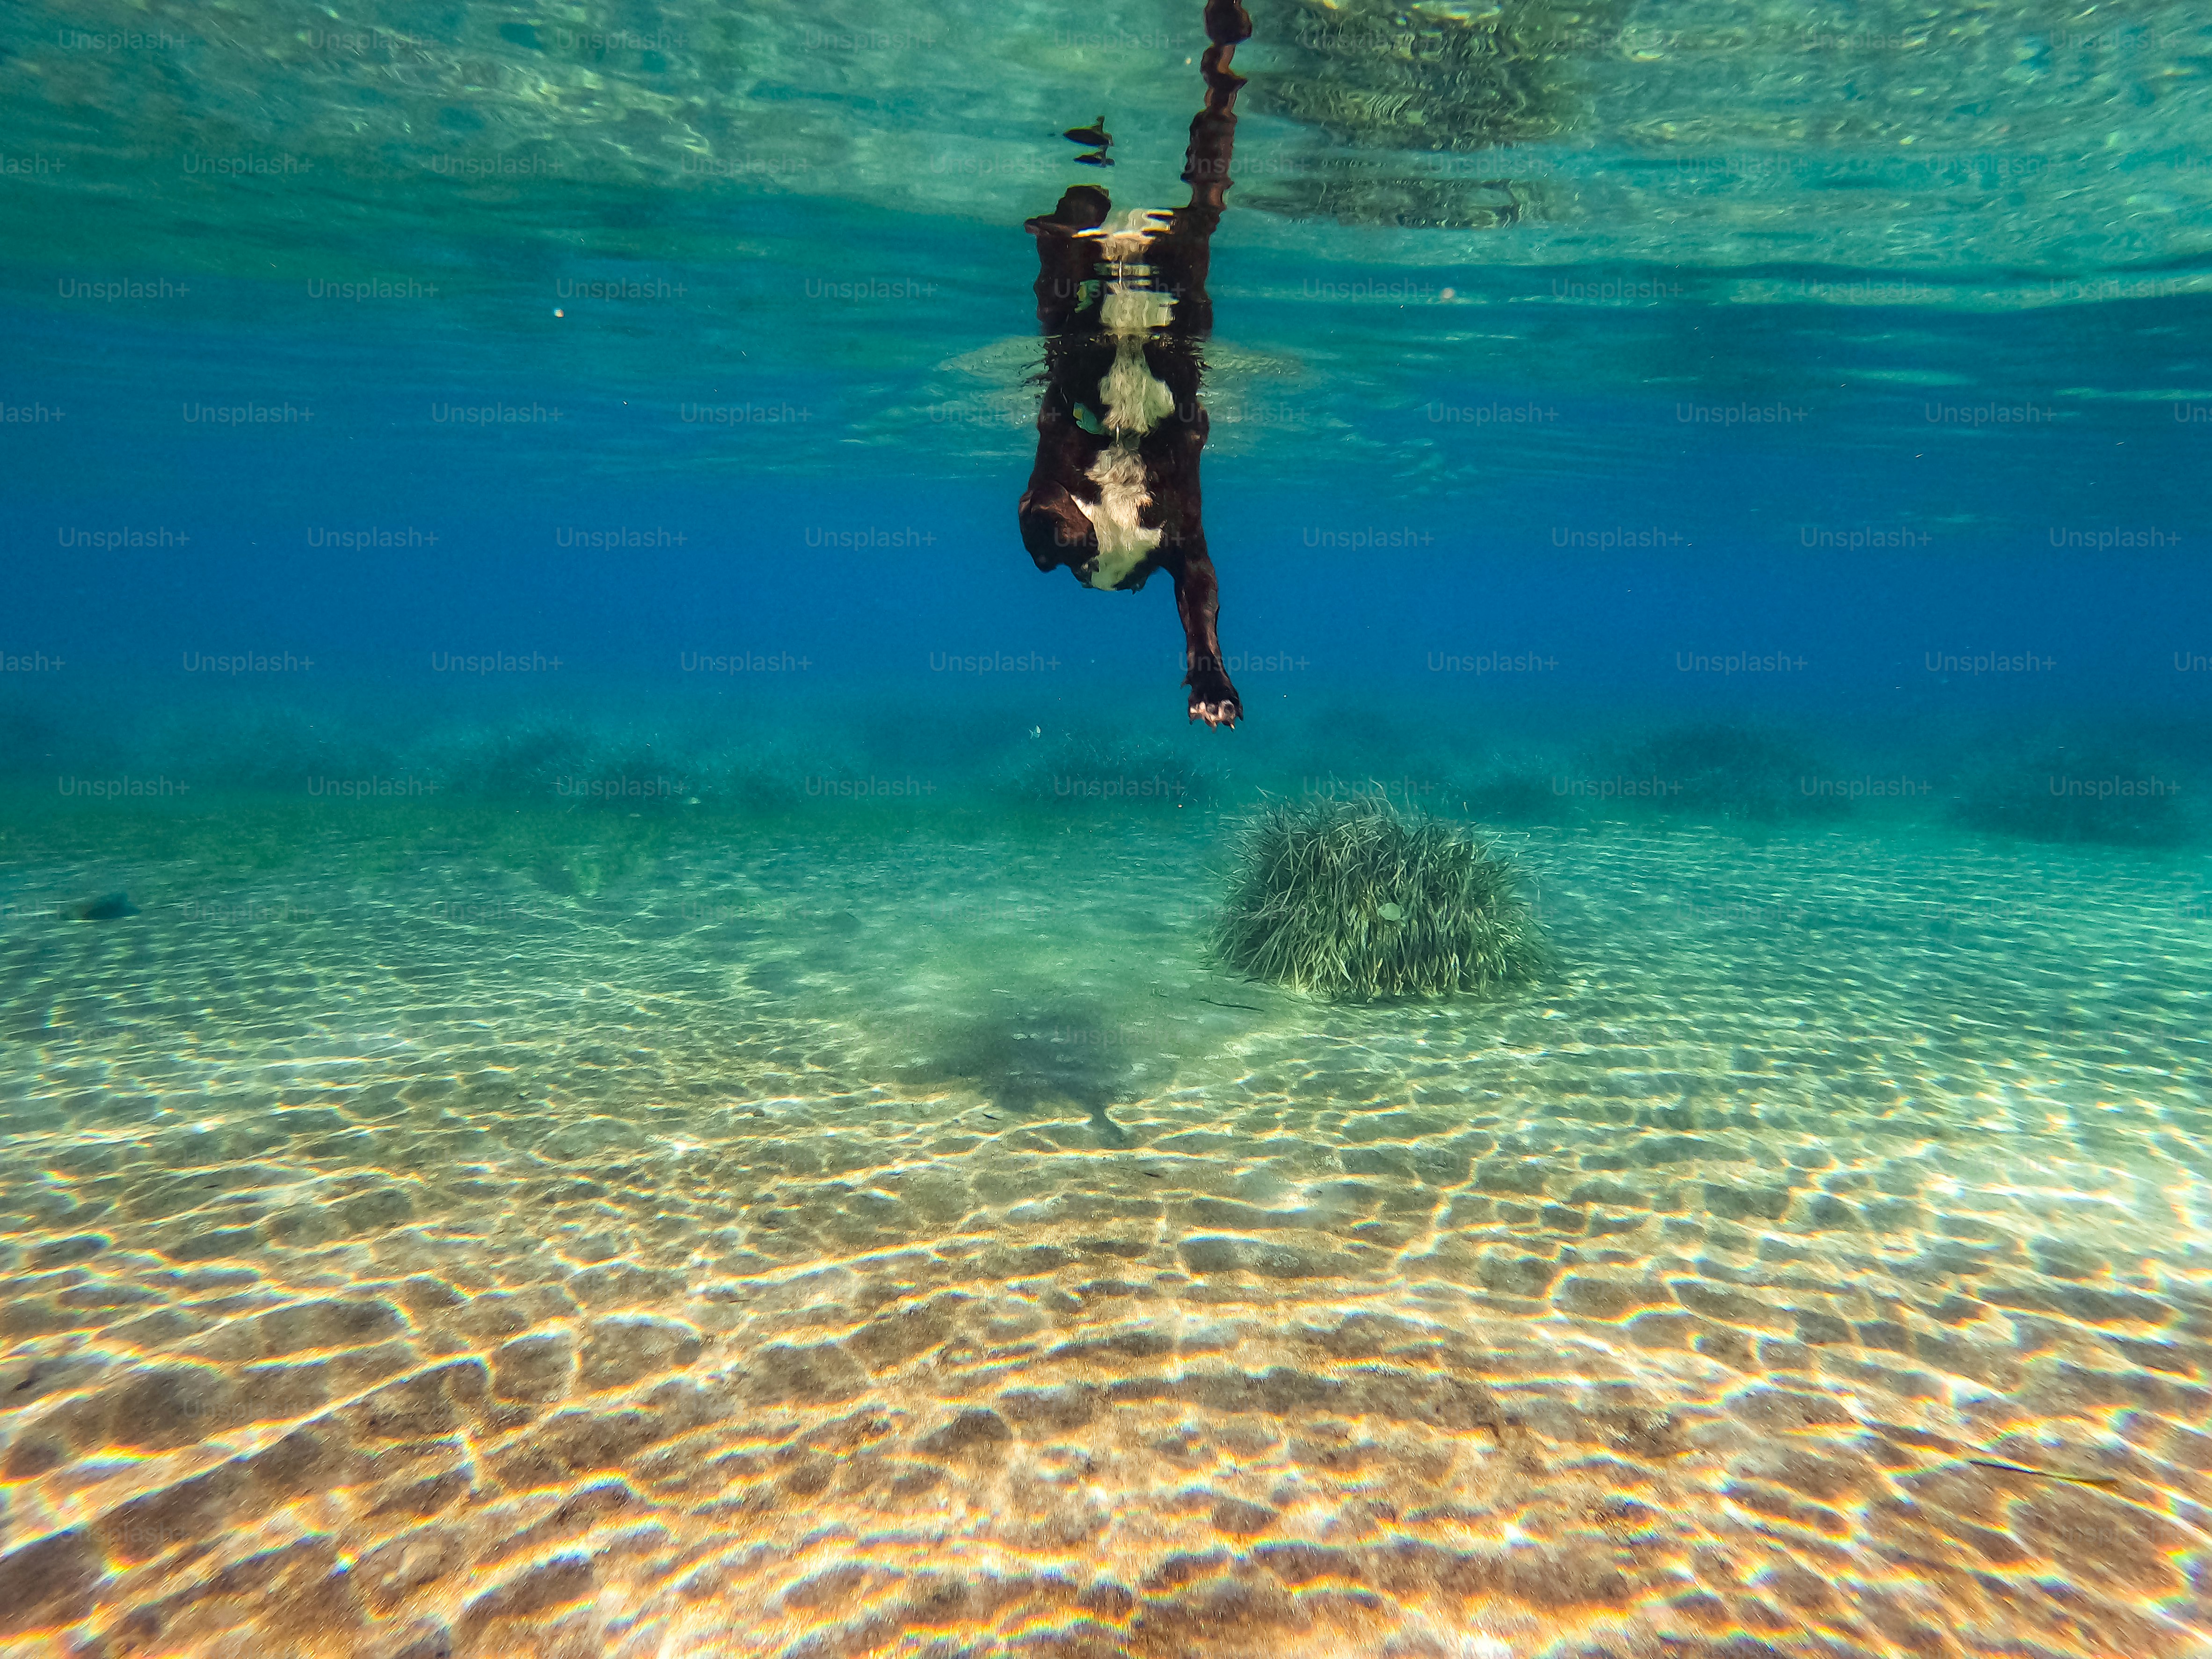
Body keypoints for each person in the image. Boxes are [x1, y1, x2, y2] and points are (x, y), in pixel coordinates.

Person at [1017, 0, 1253, 728]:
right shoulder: (1172, 539)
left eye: (1089, 566)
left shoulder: (1062, 524)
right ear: (1144, 570)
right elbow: (1201, 579)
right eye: (1109, 568)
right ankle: (1223, 73)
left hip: (1081, 337)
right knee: (1201, 216)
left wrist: (1069, 531)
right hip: (1171, 346)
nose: (1099, 561)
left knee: (1071, 229)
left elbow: (1033, 518)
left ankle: (1083, 124)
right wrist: (1206, 662)